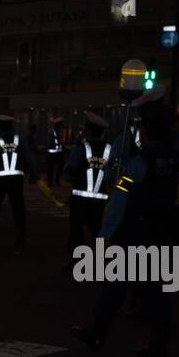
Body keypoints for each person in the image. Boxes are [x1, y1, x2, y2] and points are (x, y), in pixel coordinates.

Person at [71, 100, 179, 357]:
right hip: (162, 231)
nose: (140, 132)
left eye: (142, 127)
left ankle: (97, 332)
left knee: (115, 287)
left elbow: (121, 197)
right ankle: (159, 344)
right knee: (159, 293)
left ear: (148, 130)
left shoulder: (140, 162)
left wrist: (105, 235)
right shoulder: (172, 159)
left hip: (135, 232)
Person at [0, 114, 36, 252]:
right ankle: (21, 235)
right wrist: (33, 174)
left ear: (0, 127)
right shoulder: (19, 140)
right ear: (11, 126)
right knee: (18, 207)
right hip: (16, 179)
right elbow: (29, 158)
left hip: (1, 180)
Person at [64, 111, 114, 262]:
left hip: (79, 198)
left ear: (90, 131)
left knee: (76, 231)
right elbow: (114, 174)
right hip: (100, 200)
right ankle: (107, 261)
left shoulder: (81, 148)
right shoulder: (110, 150)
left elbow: (69, 172)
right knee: (99, 230)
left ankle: (76, 260)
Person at [45, 115, 66, 185]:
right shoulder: (53, 131)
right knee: (51, 168)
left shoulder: (57, 131)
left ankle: (54, 180)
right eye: (60, 124)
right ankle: (51, 181)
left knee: (58, 166)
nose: (61, 125)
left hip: (57, 152)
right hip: (53, 153)